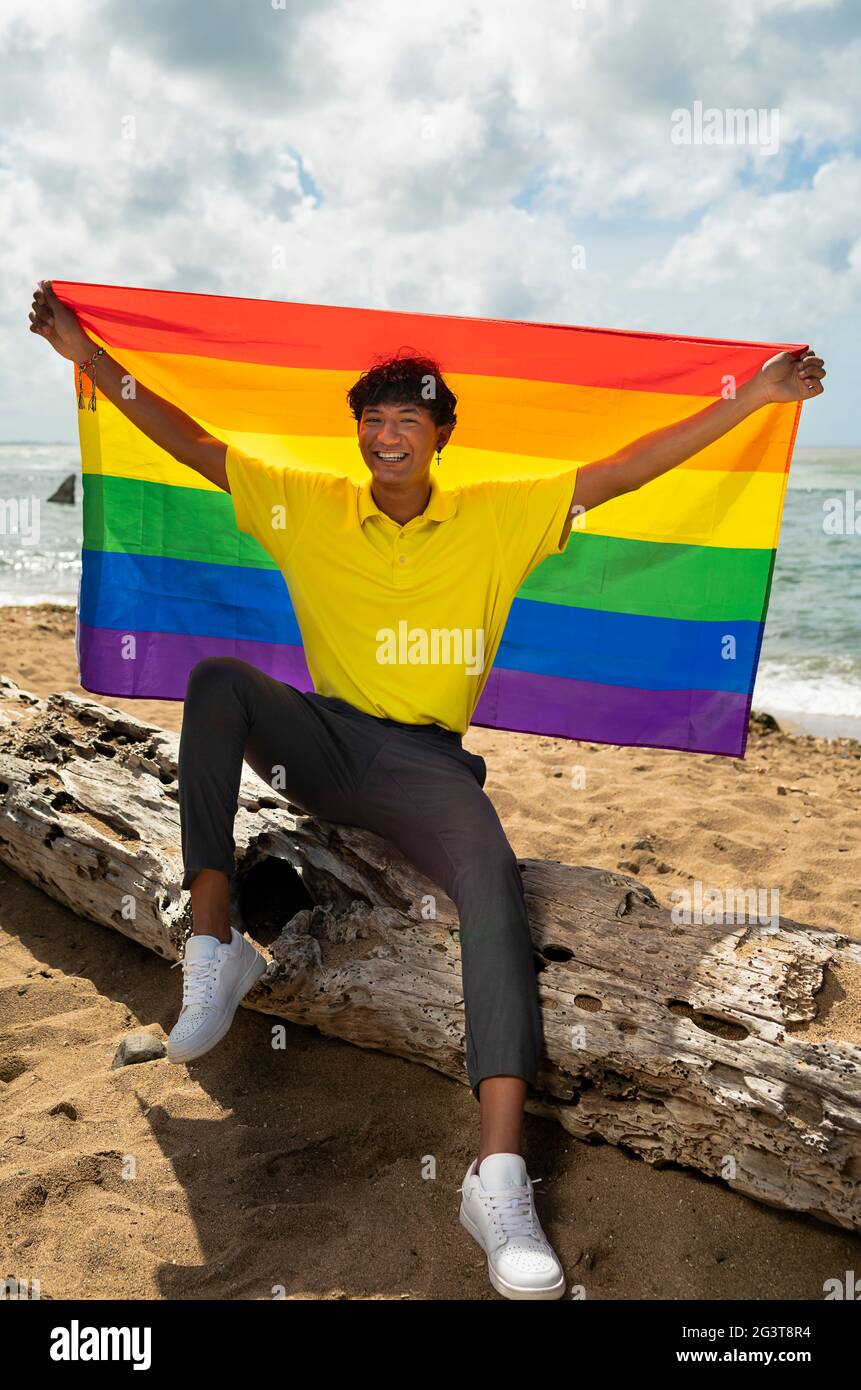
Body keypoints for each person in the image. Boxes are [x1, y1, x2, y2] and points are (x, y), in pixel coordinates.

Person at [29, 280, 825, 1300]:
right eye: (373, 419)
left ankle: (496, 1178)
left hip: (426, 767)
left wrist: (751, 398)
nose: (386, 434)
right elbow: (186, 439)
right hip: (319, 744)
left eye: (408, 419)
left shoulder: (502, 516)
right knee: (219, 683)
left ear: (441, 434)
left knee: (494, 886)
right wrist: (86, 354)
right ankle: (214, 943)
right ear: (358, 433)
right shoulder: (308, 503)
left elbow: (626, 470)